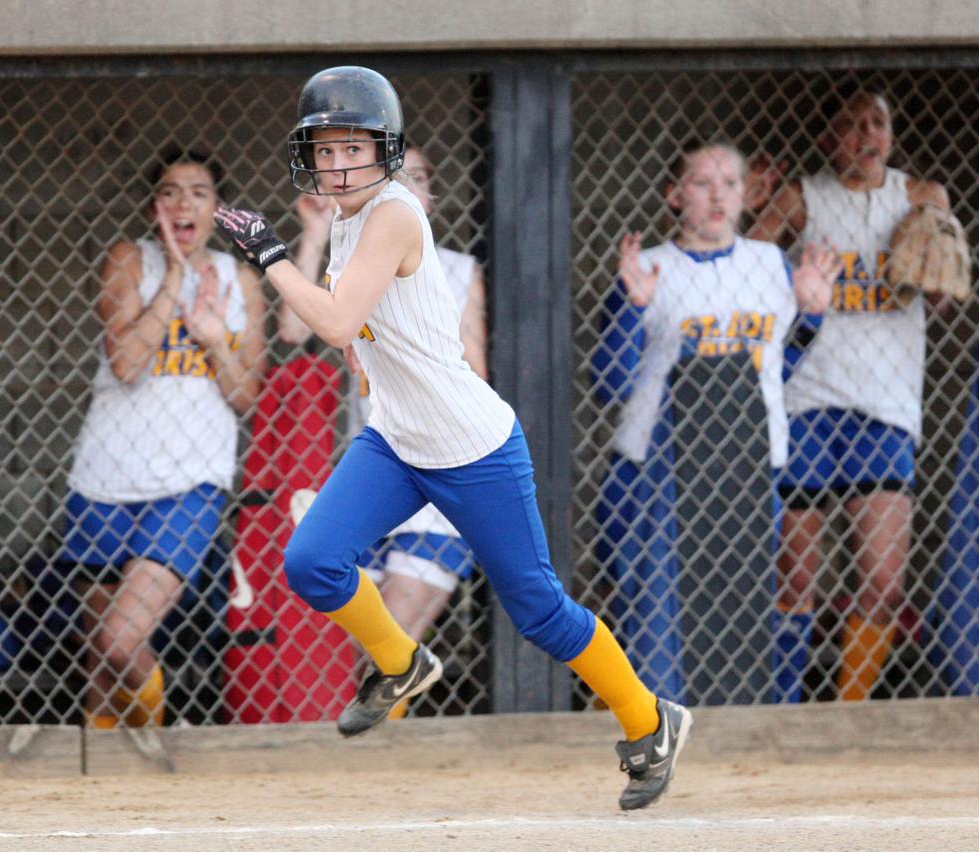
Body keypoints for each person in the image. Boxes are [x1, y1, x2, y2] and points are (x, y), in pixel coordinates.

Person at [216, 65, 687, 811]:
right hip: (397, 441)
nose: (339, 165)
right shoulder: (343, 220)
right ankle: (399, 660)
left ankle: (649, 718)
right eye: (326, 150)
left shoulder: (395, 214)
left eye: (355, 148)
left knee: (539, 610)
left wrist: (273, 255)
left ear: (388, 151)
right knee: (311, 562)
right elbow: (354, 332)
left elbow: (331, 320)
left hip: (472, 449)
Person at [590, 140, 837, 704]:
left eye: (730, 182)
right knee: (647, 607)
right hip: (657, 466)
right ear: (675, 195)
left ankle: (749, 725)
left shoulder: (770, 264)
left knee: (734, 612)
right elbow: (609, 383)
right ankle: (649, 720)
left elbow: (779, 368)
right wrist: (629, 308)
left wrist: (812, 317)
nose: (718, 194)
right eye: (702, 182)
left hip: (746, 465)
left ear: (748, 194)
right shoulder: (652, 266)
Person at [749, 88, 955, 701]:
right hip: (807, 402)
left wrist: (931, 269)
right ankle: (785, 705)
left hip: (886, 407)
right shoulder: (803, 198)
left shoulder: (920, 198)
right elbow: (741, 271)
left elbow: (943, 299)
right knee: (794, 576)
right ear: (826, 139)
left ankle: (849, 709)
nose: (865, 136)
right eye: (849, 125)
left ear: (892, 135)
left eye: (877, 123)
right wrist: (757, 222)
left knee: (884, 581)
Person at [280, 145, 488, 720]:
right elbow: (294, 329)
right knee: (370, 642)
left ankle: (395, 772)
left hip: (442, 458)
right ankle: (387, 776)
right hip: (379, 463)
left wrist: (402, 330)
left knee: (396, 621)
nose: (402, 188)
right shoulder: (345, 261)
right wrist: (317, 236)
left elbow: (476, 370)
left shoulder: (456, 270)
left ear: (427, 197)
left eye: (415, 178)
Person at [62, 147, 265, 728]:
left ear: (217, 209)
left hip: (189, 483)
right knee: (101, 662)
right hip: (105, 479)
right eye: (171, 192)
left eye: (199, 192)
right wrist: (174, 279)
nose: (184, 203)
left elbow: (247, 395)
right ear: (156, 208)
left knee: (122, 641)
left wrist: (212, 339)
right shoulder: (132, 260)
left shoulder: (239, 280)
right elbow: (125, 363)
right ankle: (107, 788)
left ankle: (155, 728)